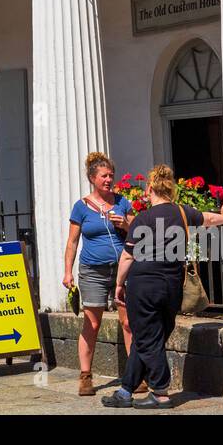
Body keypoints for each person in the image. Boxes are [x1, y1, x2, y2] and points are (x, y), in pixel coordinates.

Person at [102, 164, 223, 410]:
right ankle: (126, 390)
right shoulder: (183, 213)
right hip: (172, 285)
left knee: (148, 338)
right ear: (171, 189)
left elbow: (127, 257)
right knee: (151, 336)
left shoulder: (142, 219)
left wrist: (118, 284)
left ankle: (160, 393)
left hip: (144, 285)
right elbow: (209, 218)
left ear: (150, 188)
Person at [63, 152, 134, 397]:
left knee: (128, 322)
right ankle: (85, 376)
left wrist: (124, 224)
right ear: (93, 178)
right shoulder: (81, 207)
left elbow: (137, 231)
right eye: (104, 176)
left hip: (121, 271)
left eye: (111, 176)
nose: (108, 180)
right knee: (92, 323)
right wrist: (67, 272)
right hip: (92, 270)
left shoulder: (122, 202)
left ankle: (136, 374)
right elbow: (72, 242)